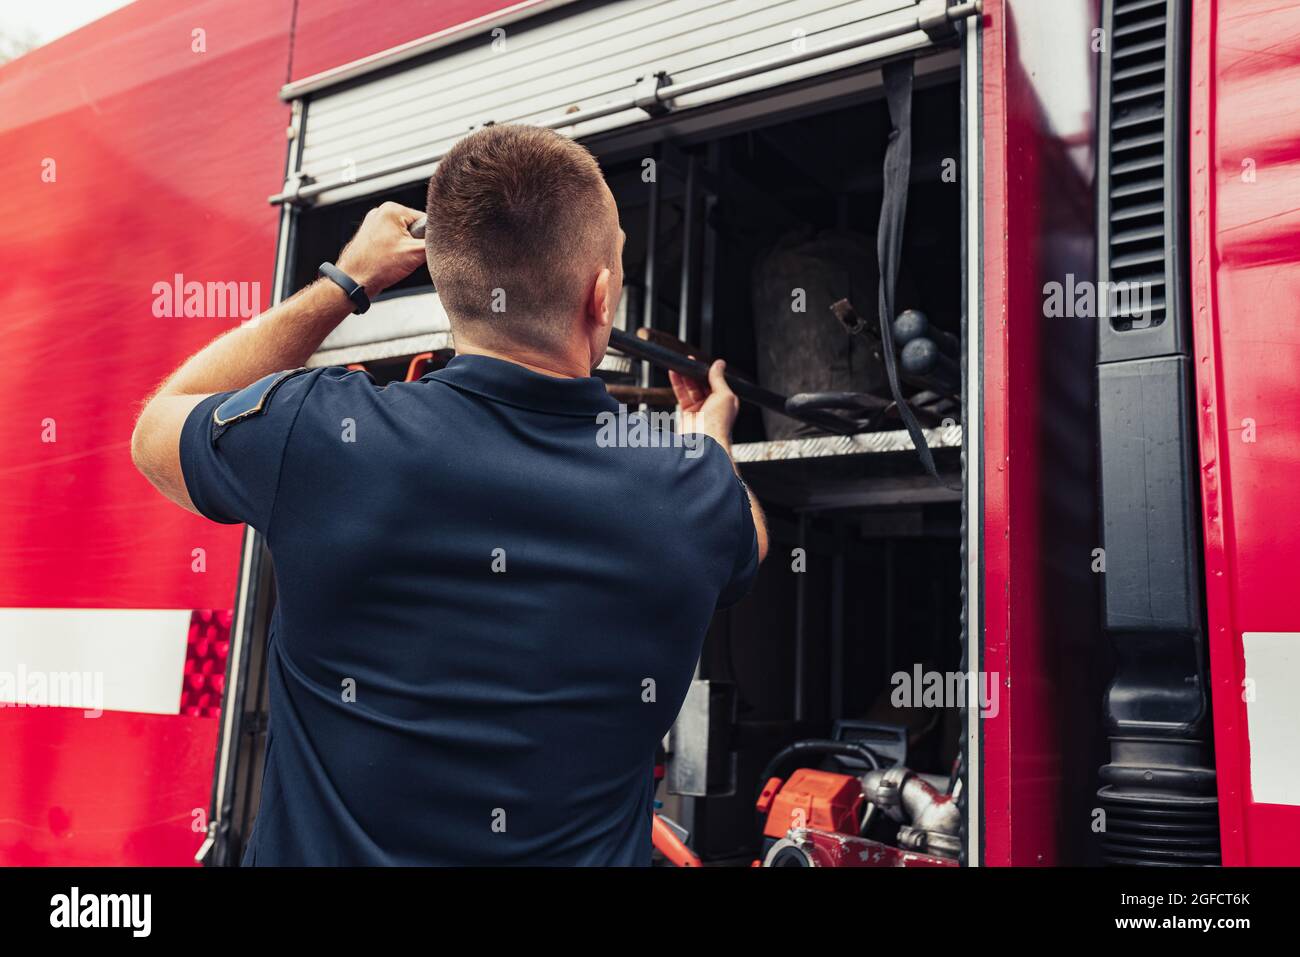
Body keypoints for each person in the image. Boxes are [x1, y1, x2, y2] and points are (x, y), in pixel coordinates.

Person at [131, 124, 768, 865]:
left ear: (447, 288)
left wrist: (347, 283)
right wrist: (705, 435)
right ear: (601, 297)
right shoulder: (689, 487)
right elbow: (745, 533)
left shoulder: (323, 435)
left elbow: (156, 428)